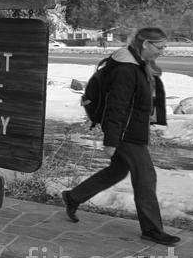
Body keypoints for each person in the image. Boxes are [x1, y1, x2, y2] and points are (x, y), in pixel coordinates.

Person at [61, 27, 180, 246]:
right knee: (146, 177)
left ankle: (74, 196)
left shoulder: (139, 65)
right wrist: (111, 141)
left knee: (117, 171)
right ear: (145, 44)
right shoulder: (126, 70)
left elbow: (138, 102)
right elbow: (116, 107)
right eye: (160, 47)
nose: (162, 51)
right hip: (125, 134)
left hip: (132, 130)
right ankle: (152, 230)